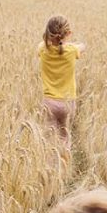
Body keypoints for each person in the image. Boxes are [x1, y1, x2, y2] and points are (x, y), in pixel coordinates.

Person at [38, 15, 84, 154]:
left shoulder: (42, 49)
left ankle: (51, 167)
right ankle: (65, 163)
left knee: (51, 137)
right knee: (64, 135)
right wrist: (71, 44)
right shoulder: (71, 51)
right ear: (68, 34)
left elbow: (42, 46)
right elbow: (82, 46)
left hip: (49, 102)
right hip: (67, 102)